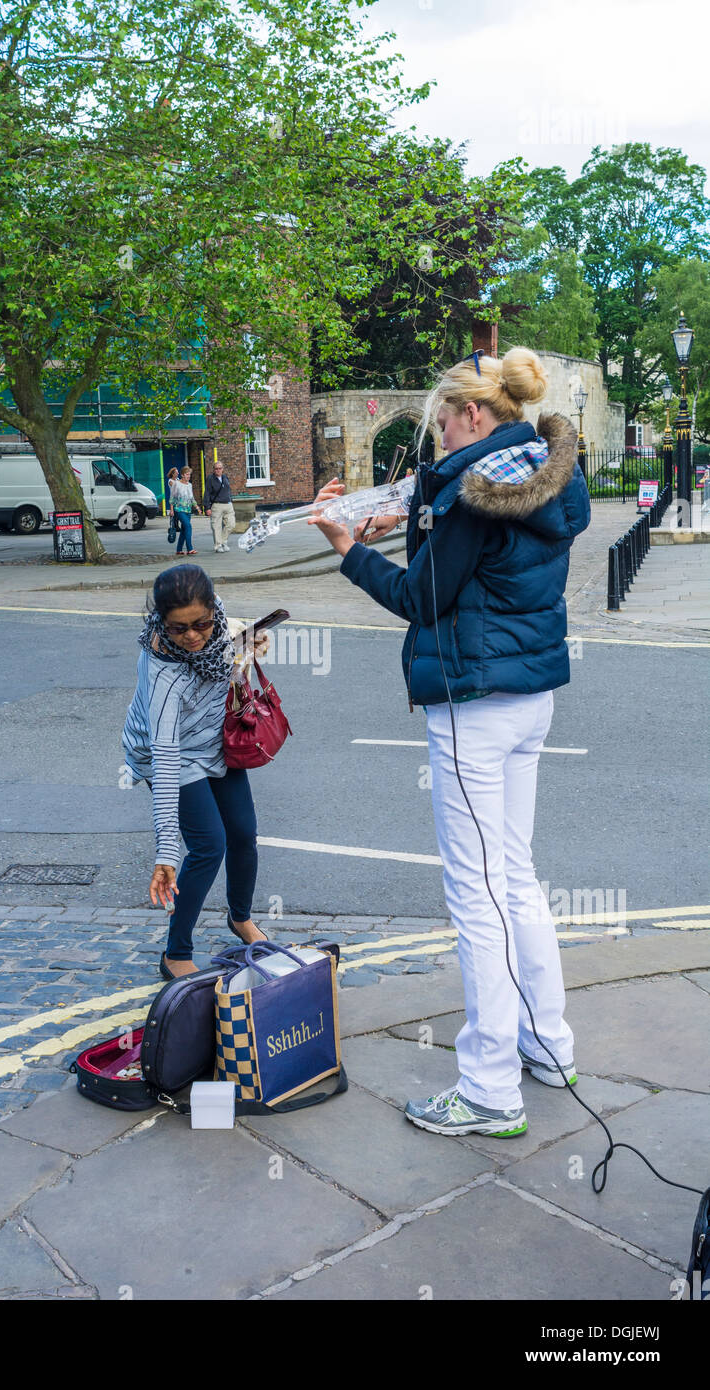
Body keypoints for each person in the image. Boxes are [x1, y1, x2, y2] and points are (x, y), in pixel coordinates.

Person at [310, 346, 591, 1140]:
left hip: (472, 702)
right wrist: (406, 516)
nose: (436, 440)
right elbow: (461, 560)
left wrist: (347, 549)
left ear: (473, 416)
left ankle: (490, 1088)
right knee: (519, 877)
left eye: (439, 425)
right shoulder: (543, 470)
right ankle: (549, 1045)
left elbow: (420, 597)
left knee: (477, 896)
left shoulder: (476, 491)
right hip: (529, 697)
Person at [122, 564, 270, 979]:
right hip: (169, 752)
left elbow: (231, 634)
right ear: (160, 622)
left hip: (212, 739)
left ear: (213, 610)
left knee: (243, 832)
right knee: (209, 845)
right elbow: (166, 759)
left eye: (201, 624)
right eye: (178, 628)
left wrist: (249, 638)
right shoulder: (163, 674)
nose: (192, 636)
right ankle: (176, 951)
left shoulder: (217, 620)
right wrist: (166, 852)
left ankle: (240, 918)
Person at [203, 459, 235, 552]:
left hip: (228, 504)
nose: (218, 470)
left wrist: (231, 500)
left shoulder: (225, 477)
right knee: (216, 526)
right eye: (216, 469)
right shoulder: (210, 478)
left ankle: (223, 541)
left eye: (220, 468)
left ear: (223, 469)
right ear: (213, 469)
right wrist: (207, 508)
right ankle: (218, 545)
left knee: (231, 524)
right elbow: (207, 493)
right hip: (217, 505)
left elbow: (228, 490)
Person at [169, 465, 201, 556]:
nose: (189, 476)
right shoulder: (176, 484)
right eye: (187, 474)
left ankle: (179, 550)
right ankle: (190, 548)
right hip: (179, 510)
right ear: (182, 475)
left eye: (189, 474)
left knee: (184, 529)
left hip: (188, 510)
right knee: (188, 526)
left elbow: (192, 499)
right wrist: (171, 510)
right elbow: (172, 498)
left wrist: (197, 507)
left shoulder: (190, 485)